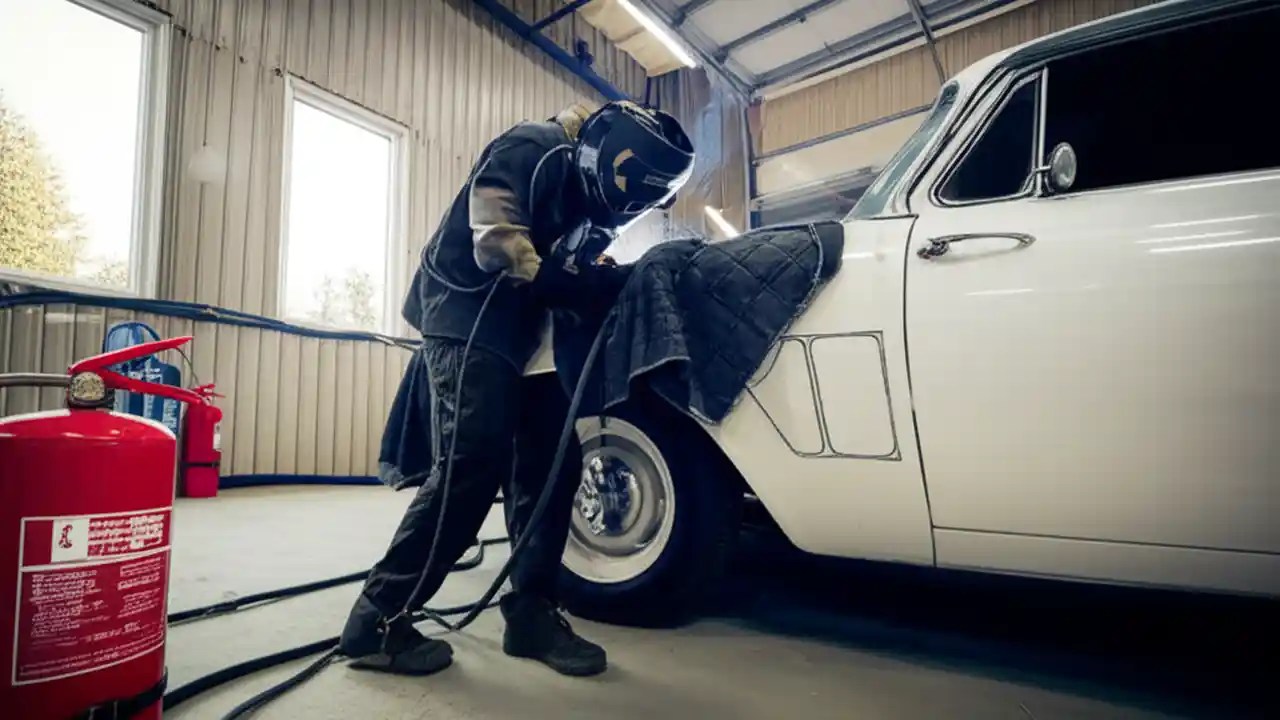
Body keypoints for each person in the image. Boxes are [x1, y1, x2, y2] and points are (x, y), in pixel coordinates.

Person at [339, 100, 696, 678]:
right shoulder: (533, 147)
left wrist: (599, 278)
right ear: (610, 155)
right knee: (472, 462)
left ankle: (531, 614)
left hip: (528, 327)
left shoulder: (595, 196)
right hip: (466, 311)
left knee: (552, 466)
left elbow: (576, 263)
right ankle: (376, 620)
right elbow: (496, 238)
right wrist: (564, 280)